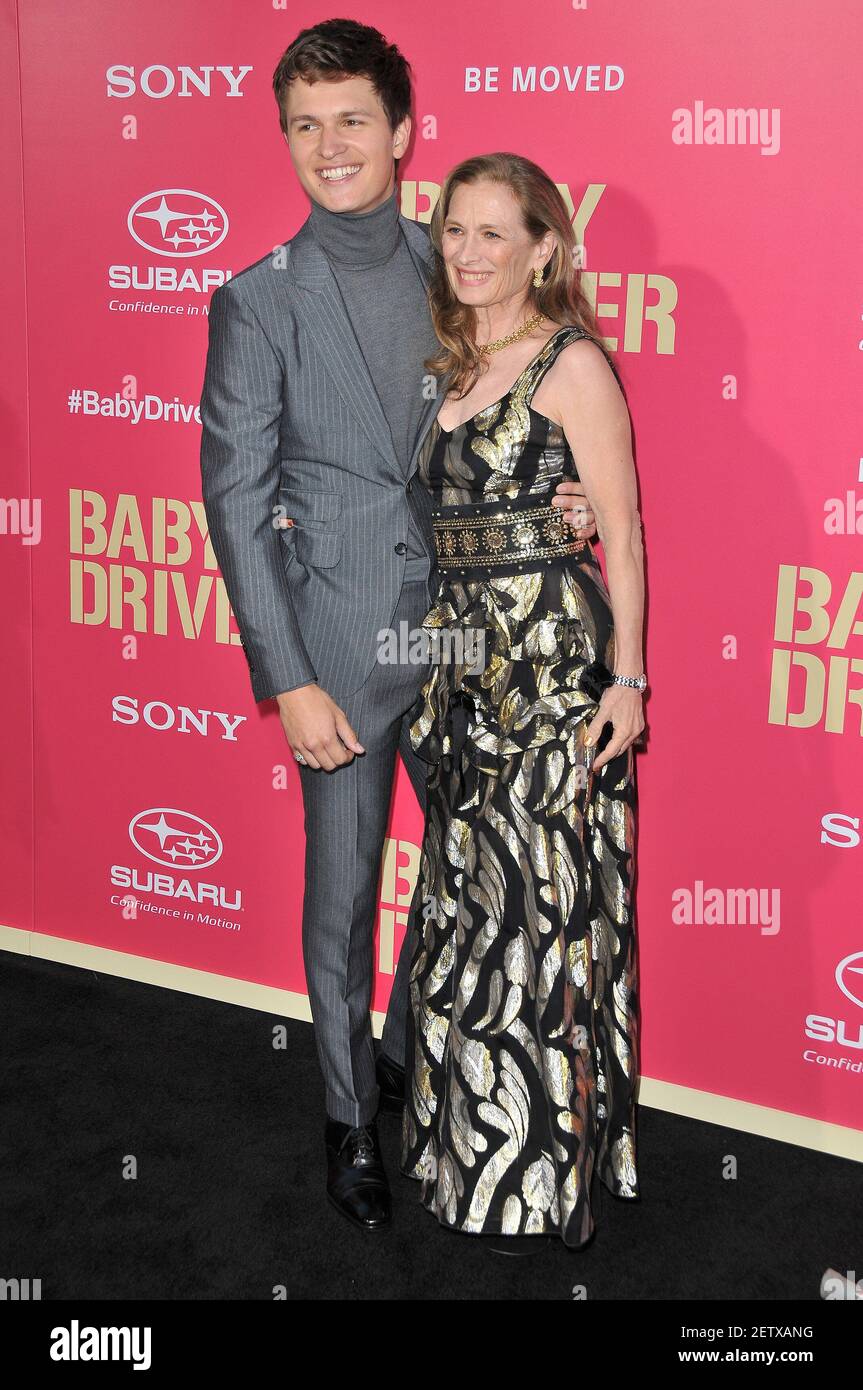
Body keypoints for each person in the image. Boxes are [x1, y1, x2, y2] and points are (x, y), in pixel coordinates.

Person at [198, 19, 597, 1232]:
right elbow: (232, 500)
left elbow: (514, 409)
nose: (329, 146)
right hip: (346, 651)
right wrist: (291, 676)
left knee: (477, 878)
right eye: (305, 125)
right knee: (343, 898)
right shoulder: (255, 301)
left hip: (473, 641)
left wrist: (559, 495)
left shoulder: (456, 266)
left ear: (403, 131)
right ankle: (344, 1121)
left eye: (351, 119)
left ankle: (430, 1068)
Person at [398, 152, 646, 1250]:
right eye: (453, 230)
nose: (467, 252)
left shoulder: (572, 363)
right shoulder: (445, 361)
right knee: (467, 906)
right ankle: (473, 1152)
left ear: (544, 246)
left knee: (546, 916)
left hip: (551, 673)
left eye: (493, 233)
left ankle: (554, 1169)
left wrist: (628, 678)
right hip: (455, 672)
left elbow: (626, 537)